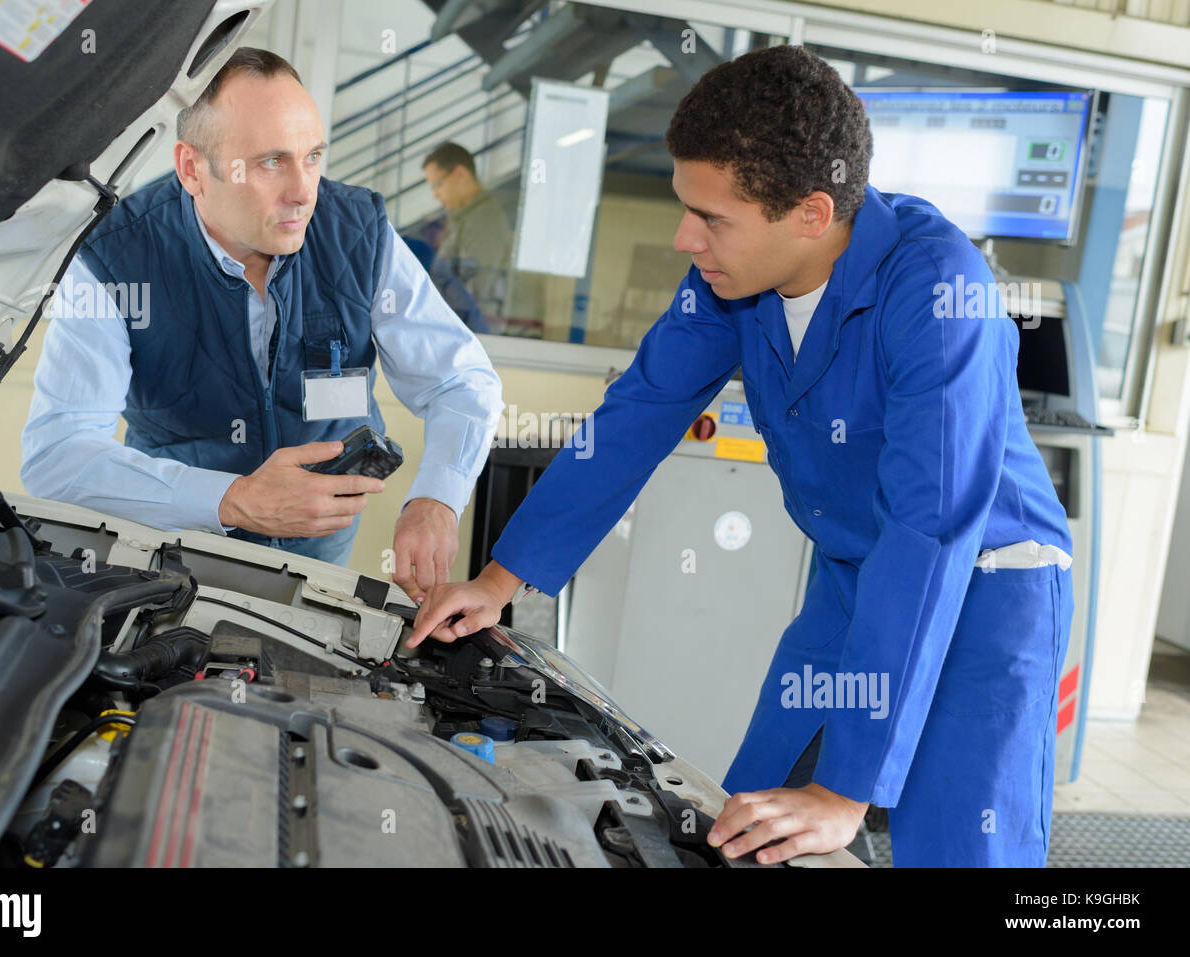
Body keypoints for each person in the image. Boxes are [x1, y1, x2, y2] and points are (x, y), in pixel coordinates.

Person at [408, 45, 1074, 867]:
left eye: (713, 217)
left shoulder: (938, 290)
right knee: (741, 822)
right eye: (687, 206)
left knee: (957, 846)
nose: (687, 237)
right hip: (853, 576)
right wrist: (498, 581)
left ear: (811, 214)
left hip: (985, 583)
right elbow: (637, 414)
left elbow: (930, 527)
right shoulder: (730, 280)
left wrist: (846, 791)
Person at [21, 48, 503, 601]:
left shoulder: (356, 232)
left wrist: (436, 501)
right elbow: (57, 455)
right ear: (191, 169)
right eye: (272, 162)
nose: (304, 191)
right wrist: (236, 498)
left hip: (320, 552)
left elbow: (461, 382)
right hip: (173, 550)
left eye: (313, 156)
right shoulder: (114, 256)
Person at [421, 142, 513, 320]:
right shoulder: (464, 218)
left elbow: (475, 295)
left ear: (460, 174)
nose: (435, 194)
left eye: (437, 185)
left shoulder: (484, 222)